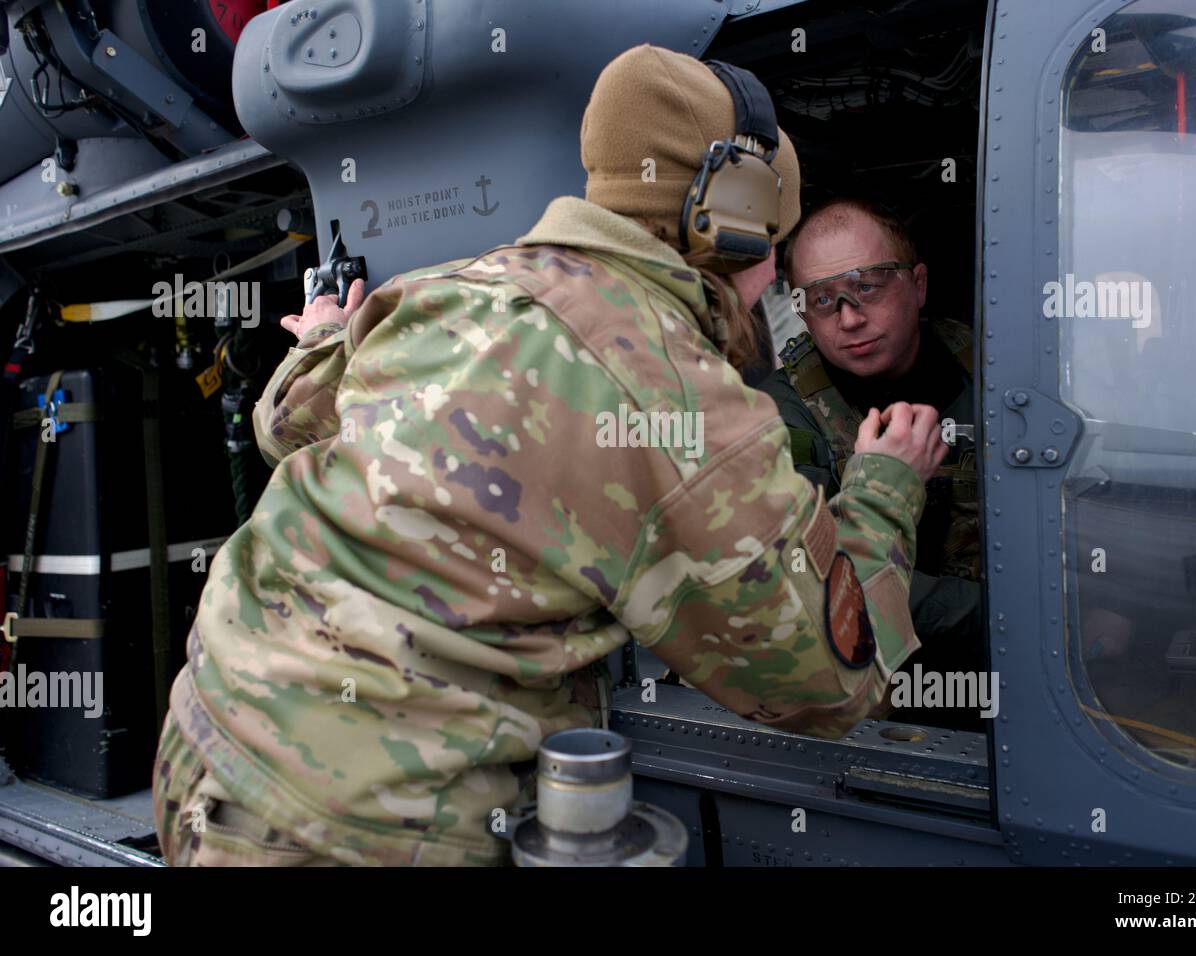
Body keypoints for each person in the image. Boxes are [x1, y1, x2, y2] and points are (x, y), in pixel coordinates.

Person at [152, 45, 945, 867]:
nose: (775, 273)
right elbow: (827, 685)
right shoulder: (672, 394)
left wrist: (320, 334)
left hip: (211, 741)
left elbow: (285, 423)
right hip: (363, 831)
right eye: (774, 243)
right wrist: (885, 487)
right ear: (728, 218)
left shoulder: (449, 288)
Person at [759, 199, 982, 663]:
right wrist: (1007, 615)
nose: (850, 319)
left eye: (868, 287)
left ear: (918, 285)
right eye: (822, 299)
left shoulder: (989, 371)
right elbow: (820, 585)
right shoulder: (779, 418)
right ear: (802, 313)